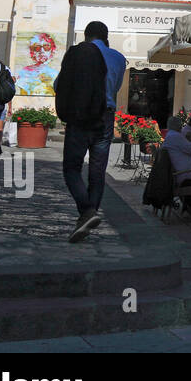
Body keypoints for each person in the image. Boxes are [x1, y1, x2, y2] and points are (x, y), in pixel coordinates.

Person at [55, 21, 125, 243]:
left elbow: (59, 85)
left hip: (81, 115)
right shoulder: (119, 58)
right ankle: (88, 214)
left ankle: (87, 211)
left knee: (72, 167)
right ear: (106, 37)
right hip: (106, 116)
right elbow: (115, 88)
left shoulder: (80, 54)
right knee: (97, 171)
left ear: (86, 36)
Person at [162, 113, 191, 185]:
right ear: (178, 126)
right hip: (188, 176)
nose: (182, 127)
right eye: (180, 125)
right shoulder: (175, 136)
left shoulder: (170, 136)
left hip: (186, 173)